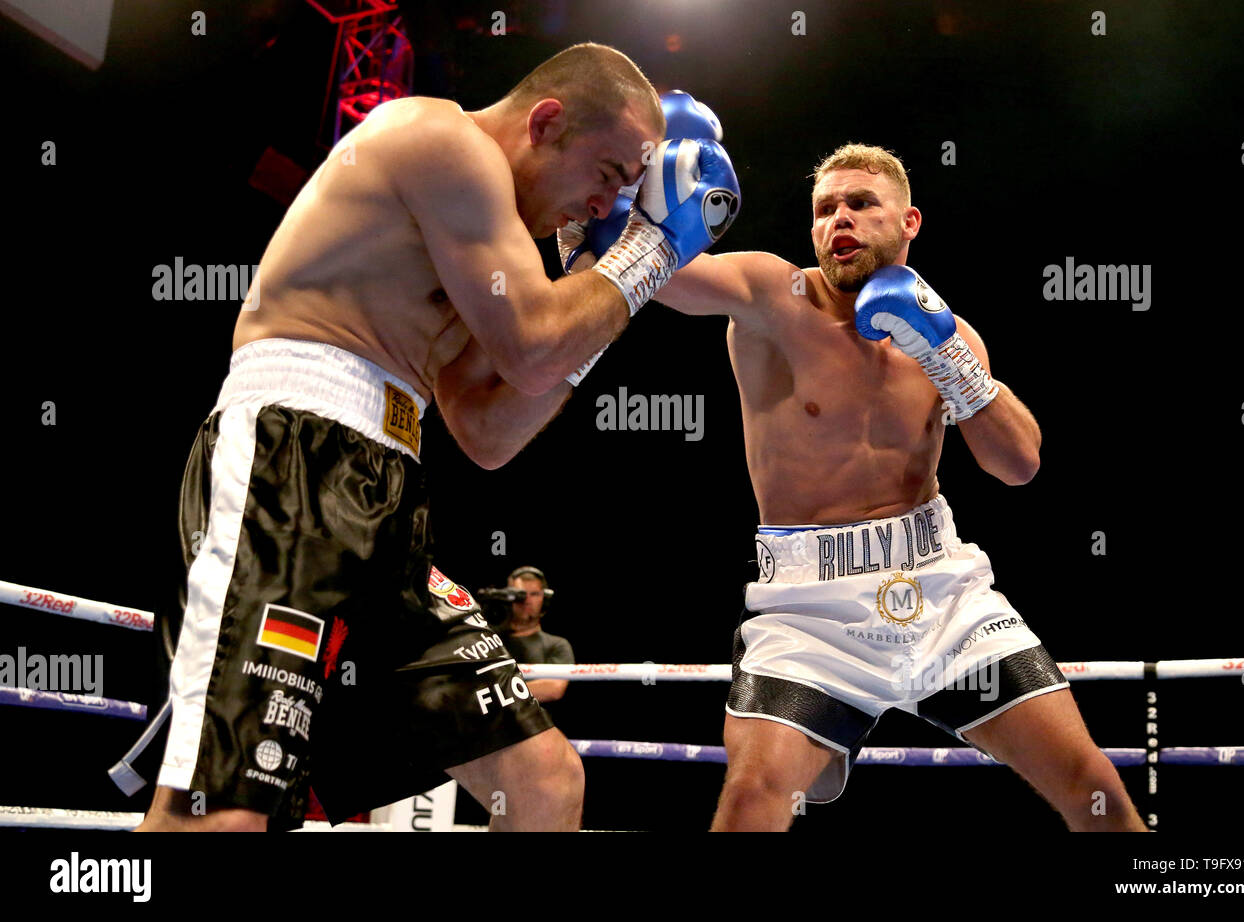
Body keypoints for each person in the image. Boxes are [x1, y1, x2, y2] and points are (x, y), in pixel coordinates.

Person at [137, 43, 739, 832]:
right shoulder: (440, 140)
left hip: (387, 496)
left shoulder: (477, 249)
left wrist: (602, 270)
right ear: (547, 122)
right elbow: (531, 343)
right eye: (605, 175)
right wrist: (646, 252)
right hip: (289, 467)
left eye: (622, 192)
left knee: (544, 781)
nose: (603, 205)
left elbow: (492, 427)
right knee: (223, 816)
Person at [562, 140, 1146, 831]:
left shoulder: (949, 334)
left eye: (861, 204)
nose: (839, 219)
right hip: (810, 612)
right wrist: (599, 214)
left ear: (909, 221)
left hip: (942, 594)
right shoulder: (773, 296)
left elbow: (1019, 464)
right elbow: (660, 279)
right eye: (824, 209)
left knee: (1093, 786)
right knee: (752, 799)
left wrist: (947, 357)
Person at [499, 566, 574, 704]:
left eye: (534, 594)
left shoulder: (557, 645)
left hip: (539, 724)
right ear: (508, 597)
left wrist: (494, 694)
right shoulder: (491, 640)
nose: (526, 600)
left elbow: (553, 688)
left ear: (544, 599)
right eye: (520, 594)